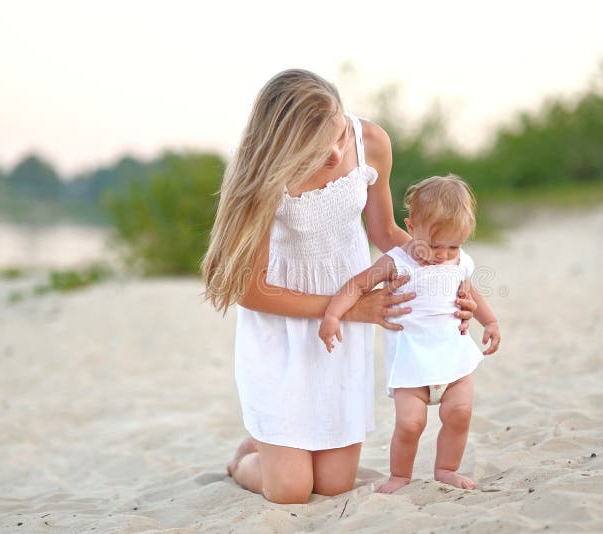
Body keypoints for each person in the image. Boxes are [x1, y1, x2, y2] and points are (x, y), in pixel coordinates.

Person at [201, 69, 477, 504]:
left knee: (332, 485)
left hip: (345, 322)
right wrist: (351, 308)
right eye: (313, 148)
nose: (333, 153)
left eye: (337, 135)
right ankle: (244, 459)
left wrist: (445, 279)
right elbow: (249, 291)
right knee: (291, 491)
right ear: (282, 145)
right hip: (285, 322)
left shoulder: (371, 143)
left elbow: (386, 233)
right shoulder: (259, 169)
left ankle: (278, 448)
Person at [318, 174, 501, 493]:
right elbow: (358, 285)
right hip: (411, 363)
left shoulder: (460, 262)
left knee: (460, 414)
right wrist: (334, 313)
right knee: (409, 423)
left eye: (453, 246)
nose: (443, 254)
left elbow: (470, 292)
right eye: (433, 245)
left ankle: (446, 469)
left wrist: (490, 322)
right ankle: (399, 475)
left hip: (455, 358)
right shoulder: (397, 262)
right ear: (412, 227)